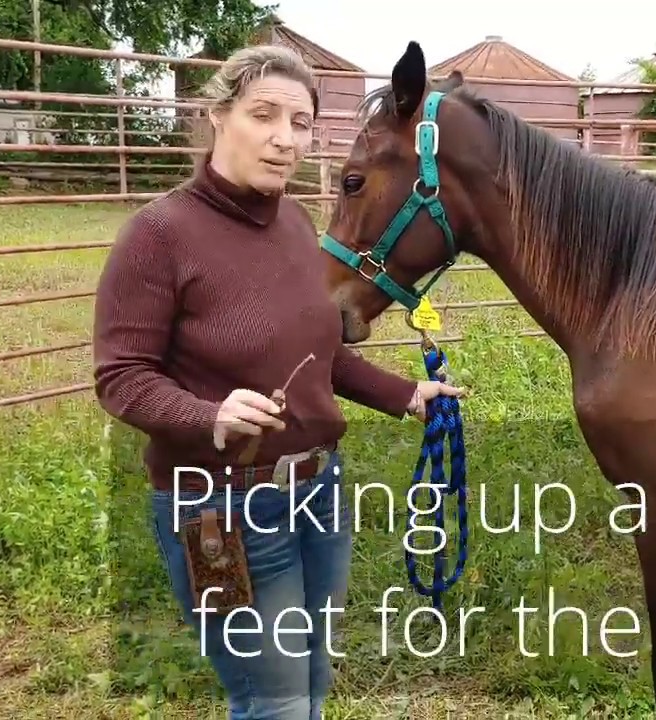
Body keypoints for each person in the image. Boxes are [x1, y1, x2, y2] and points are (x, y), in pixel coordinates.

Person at [91, 43, 461, 720]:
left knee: (313, 680)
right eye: (264, 116)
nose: (284, 139)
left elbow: (317, 350)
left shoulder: (295, 224)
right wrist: (209, 415)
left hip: (319, 493)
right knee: (276, 703)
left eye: (300, 123)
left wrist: (403, 393)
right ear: (218, 116)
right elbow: (120, 379)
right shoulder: (158, 234)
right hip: (221, 513)